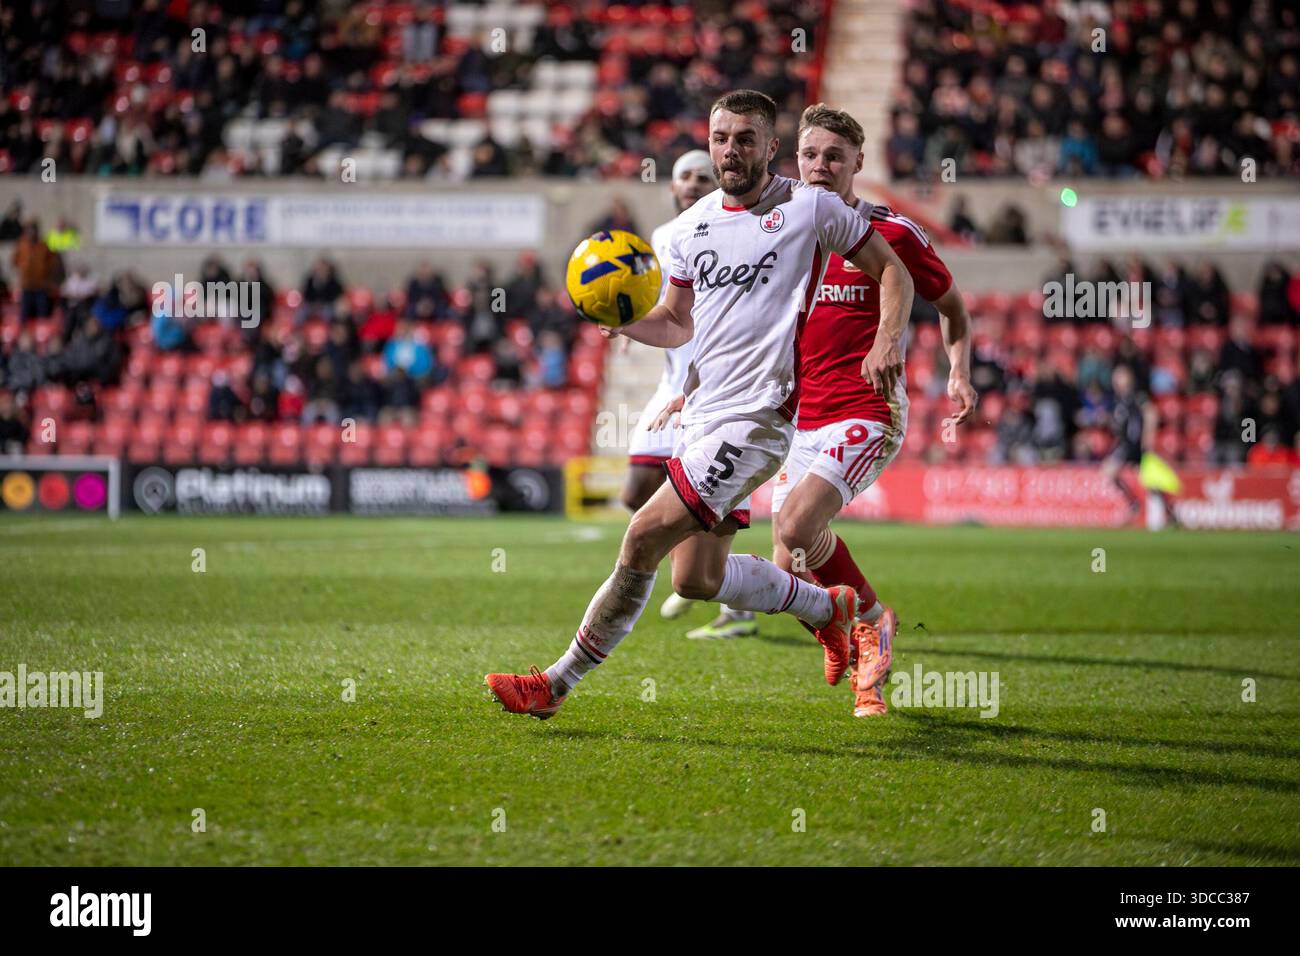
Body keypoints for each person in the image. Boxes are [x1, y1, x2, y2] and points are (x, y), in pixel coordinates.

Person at [485, 89, 915, 719]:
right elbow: (678, 323)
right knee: (696, 580)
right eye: (720, 138)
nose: (731, 150)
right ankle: (831, 609)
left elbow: (893, 271)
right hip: (703, 417)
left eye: (745, 139)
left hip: (759, 420)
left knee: (639, 539)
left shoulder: (811, 208)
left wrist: (886, 342)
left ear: (772, 147)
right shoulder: (689, 229)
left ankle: (554, 684)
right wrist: (626, 322)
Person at [650, 105, 978, 715]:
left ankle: (872, 631)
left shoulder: (896, 234)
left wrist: (952, 367)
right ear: (791, 158)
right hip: (794, 419)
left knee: (797, 527)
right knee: (791, 565)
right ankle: (862, 632)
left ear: (859, 162)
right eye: (809, 155)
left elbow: (953, 308)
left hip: (864, 408)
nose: (820, 167)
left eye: (834, 156)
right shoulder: (783, 226)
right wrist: (693, 383)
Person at [612, 150, 754, 637]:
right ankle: (693, 567)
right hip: (671, 385)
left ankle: (732, 599)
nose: (692, 183)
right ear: (671, 188)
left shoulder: (730, 227)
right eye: (684, 177)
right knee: (636, 490)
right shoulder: (663, 238)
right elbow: (668, 308)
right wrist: (623, 319)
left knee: (708, 503)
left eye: (701, 175)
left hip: (716, 388)